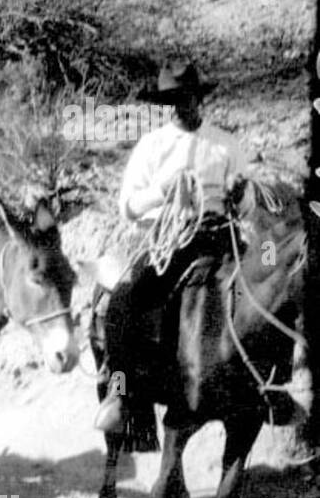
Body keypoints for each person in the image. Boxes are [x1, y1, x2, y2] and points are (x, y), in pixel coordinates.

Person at [96, 61, 249, 433]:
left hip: (218, 235)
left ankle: (270, 386)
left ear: (199, 98)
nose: (182, 106)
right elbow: (128, 206)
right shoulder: (152, 146)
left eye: (187, 98)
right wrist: (162, 191)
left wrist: (239, 195)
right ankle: (120, 394)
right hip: (168, 239)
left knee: (271, 286)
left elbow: (247, 200)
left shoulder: (226, 144)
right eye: (172, 101)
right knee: (122, 302)